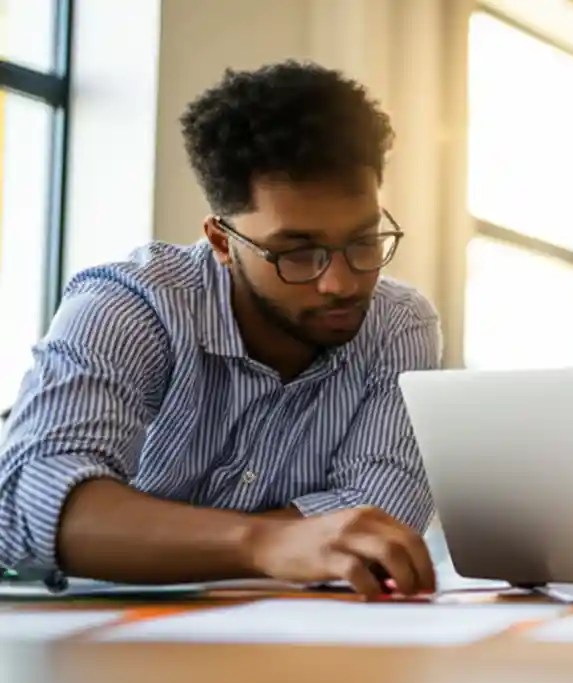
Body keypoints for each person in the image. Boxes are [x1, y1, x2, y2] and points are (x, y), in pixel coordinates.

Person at [0, 61, 438, 599]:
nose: (341, 283)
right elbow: (30, 504)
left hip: (287, 630)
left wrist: (136, 531)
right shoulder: (132, 304)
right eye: (297, 253)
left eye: (364, 242)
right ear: (222, 241)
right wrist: (263, 543)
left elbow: (384, 512)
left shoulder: (399, 322)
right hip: (77, 623)